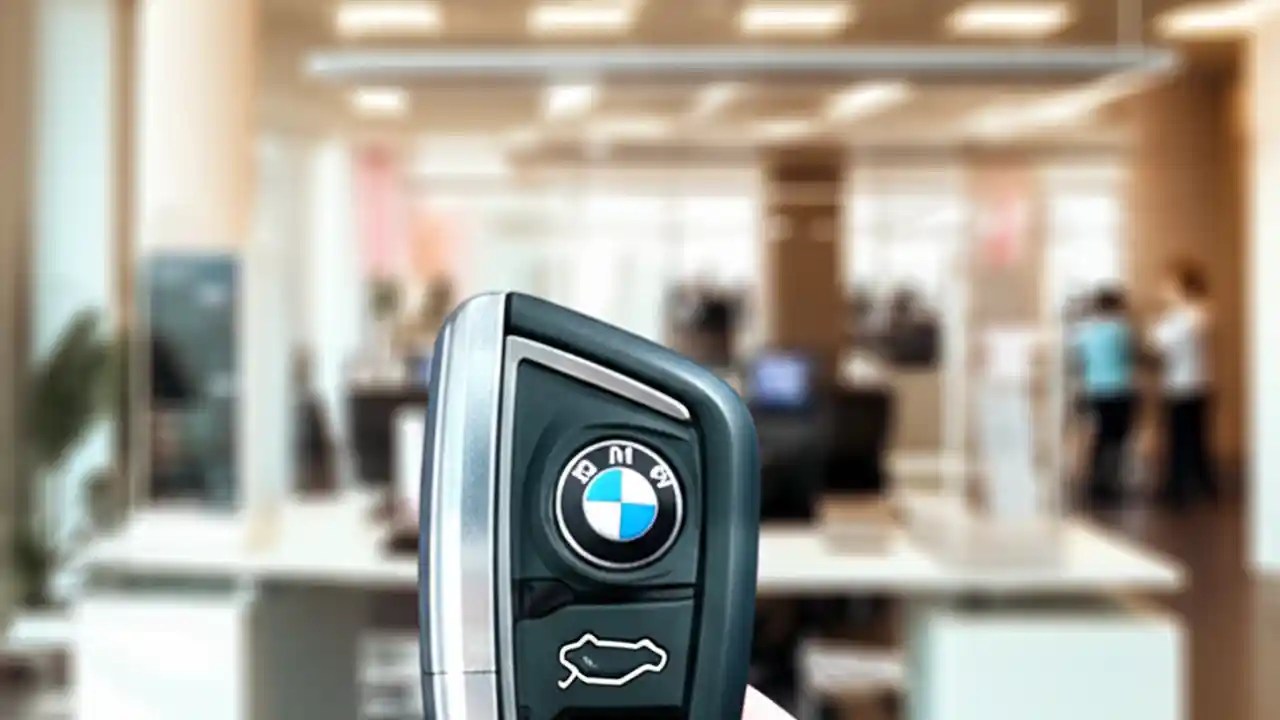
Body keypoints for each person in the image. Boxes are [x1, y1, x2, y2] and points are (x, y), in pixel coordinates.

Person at [1149, 261, 1216, 506]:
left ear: (1182, 286)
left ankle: (1178, 488)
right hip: (1184, 384)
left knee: (1183, 440)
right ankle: (1199, 485)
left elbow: (1159, 341)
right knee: (1191, 439)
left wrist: (1159, 328)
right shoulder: (1190, 314)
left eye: (1169, 285)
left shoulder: (1193, 313)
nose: (1164, 290)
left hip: (1186, 386)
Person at [1072, 287, 1137, 505]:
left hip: (1094, 390)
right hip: (1120, 389)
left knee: (1099, 438)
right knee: (1117, 439)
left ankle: (1096, 483)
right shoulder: (1123, 330)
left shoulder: (1086, 332)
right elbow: (1132, 354)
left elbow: (1078, 360)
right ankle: (1113, 482)